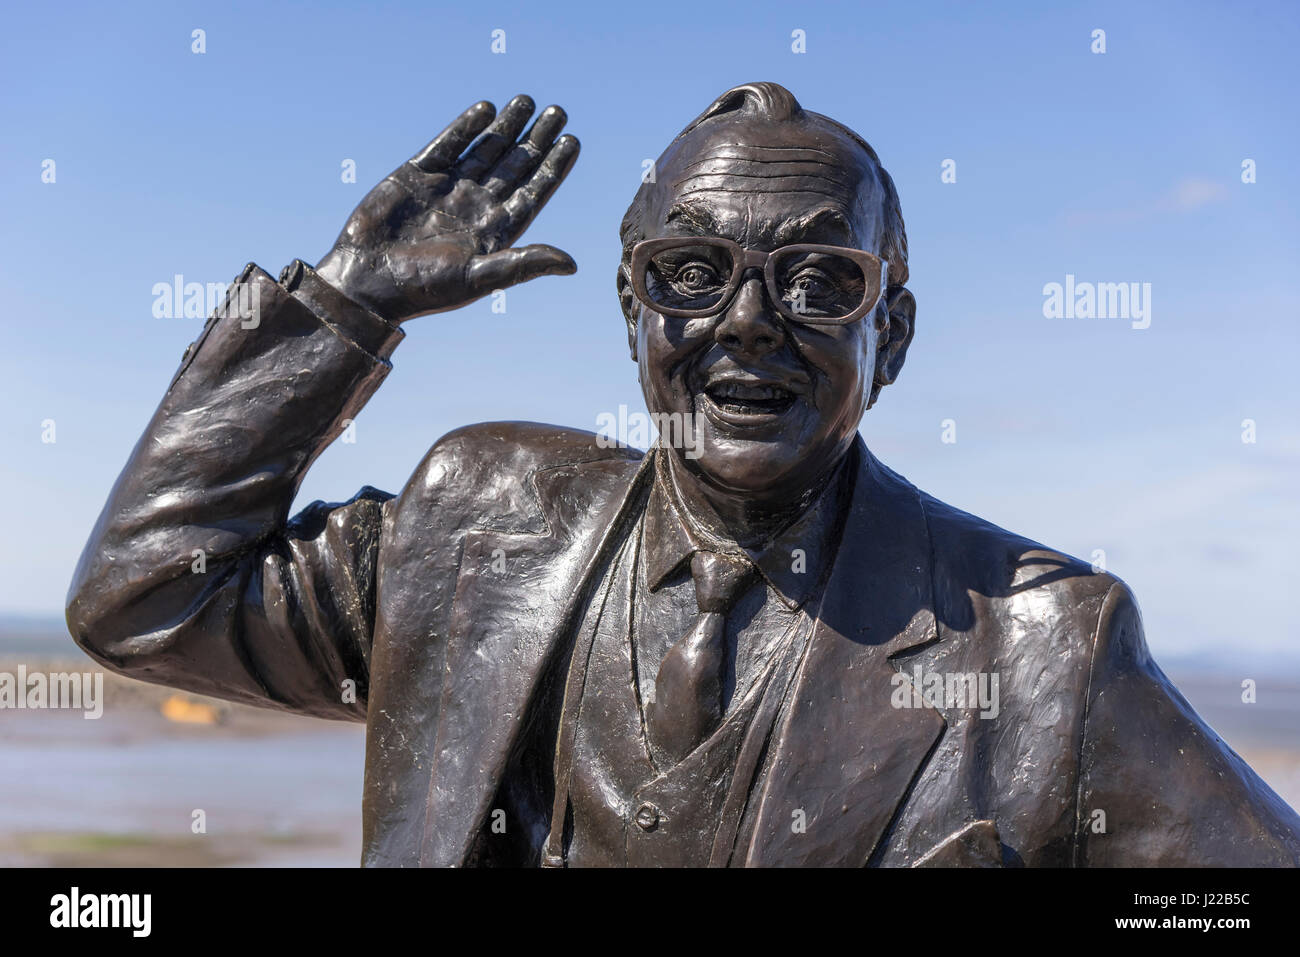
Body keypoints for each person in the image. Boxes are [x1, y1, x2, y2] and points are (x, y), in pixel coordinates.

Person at [67, 82, 1300, 867]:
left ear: (896, 337)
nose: (750, 323)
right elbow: (144, 599)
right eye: (692, 274)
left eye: (823, 283)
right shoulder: (470, 522)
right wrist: (340, 310)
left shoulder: (1042, 651)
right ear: (633, 313)